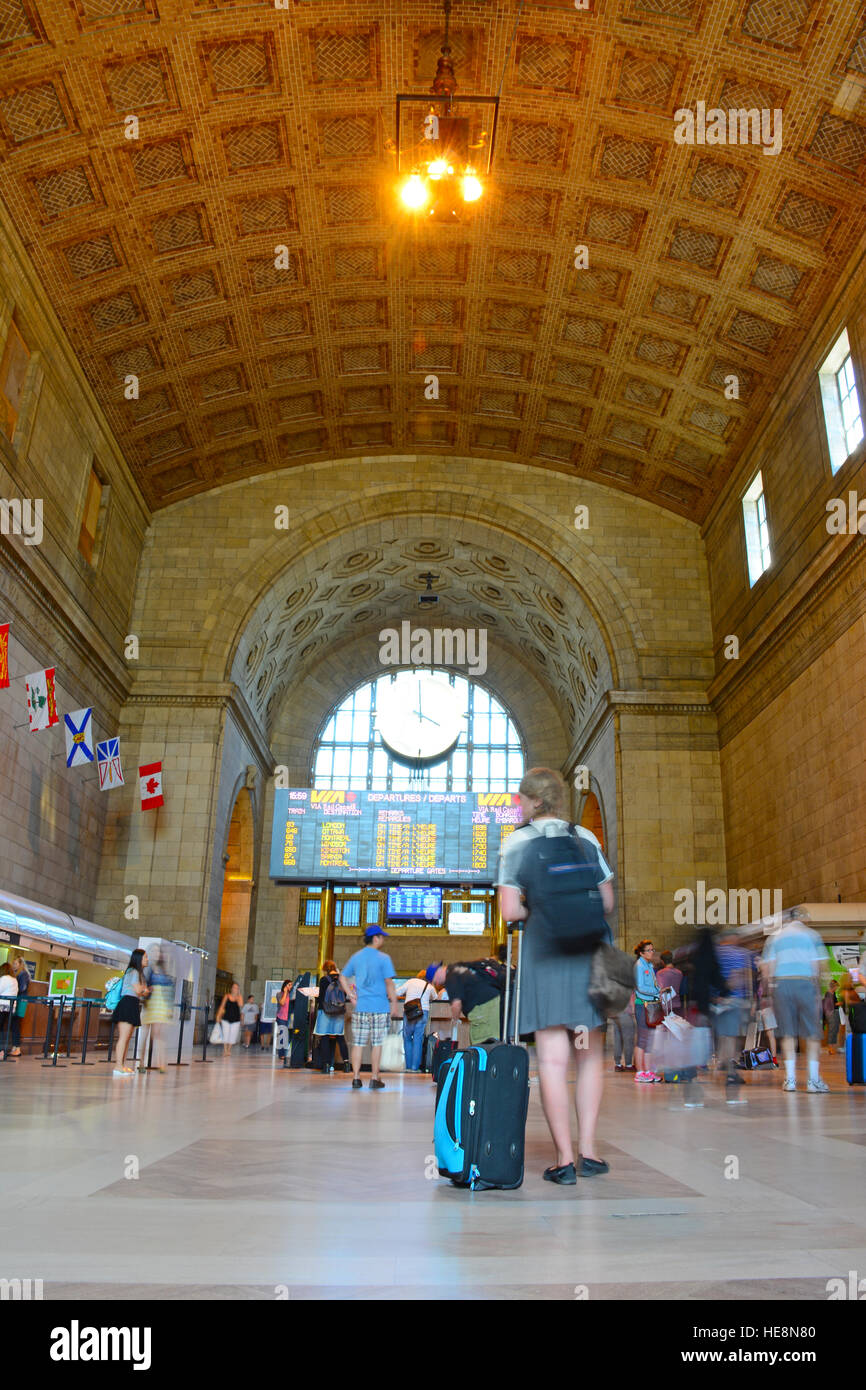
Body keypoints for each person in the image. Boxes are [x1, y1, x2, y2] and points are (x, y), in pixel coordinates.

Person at [497, 766, 615, 1183]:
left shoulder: (517, 842)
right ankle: (590, 1151)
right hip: (588, 957)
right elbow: (606, 901)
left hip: (545, 956)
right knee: (589, 1058)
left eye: (519, 799)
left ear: (531, 801)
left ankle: (563, 1160)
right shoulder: (585, 838)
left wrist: (541, 910)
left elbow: (510, 911)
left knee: (550, 1059)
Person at [761, 908, 830, 1092]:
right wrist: (818, 989)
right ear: (802, 918)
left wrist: (770, 990)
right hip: (805, 982)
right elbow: (819, 964)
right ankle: (813, 1080)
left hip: (782, 985)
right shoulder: (811, 935)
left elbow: (767, 968)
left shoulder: (775, 937)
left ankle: (790, 1079)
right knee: (812, 1033)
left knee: (788, 1033)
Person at [340, 927, 397, 1090]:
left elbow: (342, 977)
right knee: (377, 1043)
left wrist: (351, 995)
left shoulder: (356, 957)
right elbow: (389, 983)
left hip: (361, 1007)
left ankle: (356, 1078)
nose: (383, 940)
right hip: (379, 1007)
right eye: (382, 937)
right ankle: (374, 1078)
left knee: (358, 1043)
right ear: (376, 939)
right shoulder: (384, 958)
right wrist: (394, 1003)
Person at [713, 930, 754, 1101]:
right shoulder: (741, 954)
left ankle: (723, 1066)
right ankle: (730, 1072)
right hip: (734, 999)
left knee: (724, 1036)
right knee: (732, 1037)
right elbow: (744, 976)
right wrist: (751, 998)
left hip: (717, 1001)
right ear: (732, 938)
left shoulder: (715, 954)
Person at [432, 959, 502, 1048]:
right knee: (491, 1039)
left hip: (483, 1009)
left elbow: (456, 1004)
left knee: (482, 1043)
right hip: (493, 1003)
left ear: (437, 974)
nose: (437, 983)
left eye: (435, 981)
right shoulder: (460, 967)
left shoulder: (451, 976)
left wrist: (454, 1019)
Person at [112, 948, 151, 1076]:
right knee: (123, 1037)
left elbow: (142, 991)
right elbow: (139, 990)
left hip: (133, 1003)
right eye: (145, 957)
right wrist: (144, 990)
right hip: (127, 1004)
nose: (147, 959)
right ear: (139, 958)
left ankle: (122, 1065)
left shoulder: (138, 973)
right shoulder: (133, 971)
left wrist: (144, 990)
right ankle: (118, 1066)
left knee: (128, 1038)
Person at [139, 949, 175, 1073]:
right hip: (150, 1003)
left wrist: (169, 1008)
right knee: (145, 1034)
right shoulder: (149, 970)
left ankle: (161, 1063)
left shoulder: (165, 972)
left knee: (158, 1034)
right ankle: (141, 1062)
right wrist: (147, 990)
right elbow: (143, 985)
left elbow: (169, 992)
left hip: (160, 1005)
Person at [633, 940, 662, 1082]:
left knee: (650, 1039)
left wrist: (658, 991)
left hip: (651, 1005)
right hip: (642, 1005)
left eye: (652, 949)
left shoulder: (650, 966)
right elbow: (640, 987)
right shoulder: (639, 966)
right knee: (642, 1039)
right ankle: (639, 1072)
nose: (652, 952)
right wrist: (657, 991)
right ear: (641, 953)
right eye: (649, 950)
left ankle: (649, 1070)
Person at [395, 969, 433, 1072]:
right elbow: (436, 997)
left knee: (407, 1038)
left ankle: (408, 1067)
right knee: (418, 1038)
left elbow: (397, 992)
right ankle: (415, 1068)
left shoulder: (411, 981)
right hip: (423, 1011)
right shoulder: (429, 986)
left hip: (410, 1011)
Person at [314, 960, 346, 1073]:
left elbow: (322, 997)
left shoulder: (324, 980)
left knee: (325, 1037)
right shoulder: (342, 979)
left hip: (325, 1011)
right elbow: (345, 995)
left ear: (325, 969)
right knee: (340, 1037)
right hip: (339, 1011)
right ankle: (346, 1065)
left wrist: (316, 998)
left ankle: (326, 1065)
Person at [8, 955, 31, 1058]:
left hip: (20, 1001)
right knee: (14, 1024)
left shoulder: (23, 974)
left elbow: (22, 988)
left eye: (15, 963)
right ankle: (15, 1047)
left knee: (15, 1024)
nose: (13, 965)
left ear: (21, 964)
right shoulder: (20, 974)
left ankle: (17, 1048)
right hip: (19, 1001)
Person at [215, 981, 243, 1057]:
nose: (235, 989)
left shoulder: (239, 997)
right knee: (225, 1035)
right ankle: (225, 1050)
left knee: (233, 1036)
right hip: (226, 1018)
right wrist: (218, 1016)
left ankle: (229, 1050)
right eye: (234, 987)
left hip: (236, 1019)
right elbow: (222, 1006)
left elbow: (241, 1004)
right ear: (231, 988)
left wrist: (238, 994)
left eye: (237, 988)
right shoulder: (226, 996)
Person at [610, 994, 635, 1071]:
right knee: (628, 1039)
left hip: (615, 1012)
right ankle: (628, 1065)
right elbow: (631, 997)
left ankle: (617, 1064)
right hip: (625, 1012)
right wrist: (633, 1010)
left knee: (617, 1039)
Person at [656, 951, 684, 1016]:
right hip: (677, 1003)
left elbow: (659, 989)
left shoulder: (660, 973)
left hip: (666, 1005)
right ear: (672, 959)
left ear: (662, 961)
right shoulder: (679, 973)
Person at [0, 963, 19, 1060]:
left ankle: (1, 1051)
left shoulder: (4, 979)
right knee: (5, 1029)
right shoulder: (14, 980)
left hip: (2, 1006)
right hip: (11, 1008)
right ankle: (3, 1051)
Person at [275, 980, 291, 1069]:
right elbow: (282, 1003)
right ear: (285, 986)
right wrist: (285, 992)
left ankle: (285, 1053)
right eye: (289, 985)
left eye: (291, 985)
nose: (290, 986)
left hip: (288, 1018)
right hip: (281, 1017)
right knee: (282, 1035)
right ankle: (281, 1054)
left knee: (286, 1036)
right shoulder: (279, 994)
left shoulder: (291, 994)